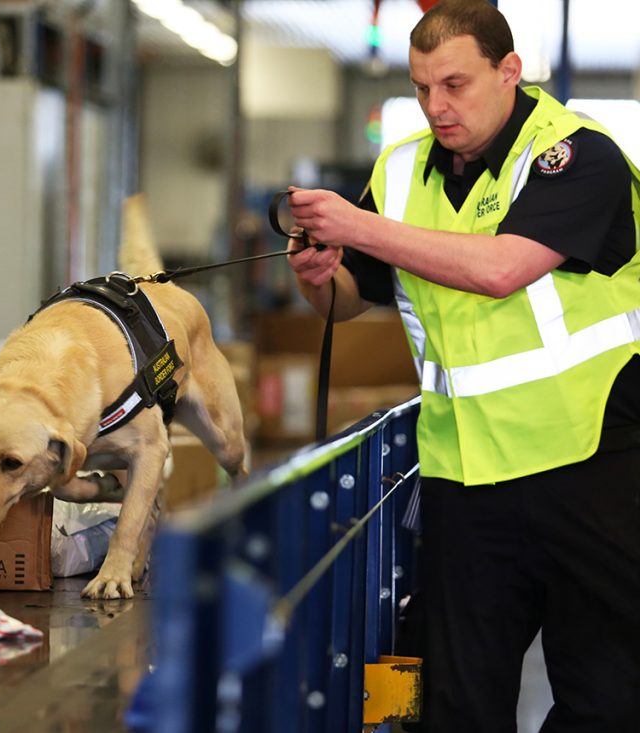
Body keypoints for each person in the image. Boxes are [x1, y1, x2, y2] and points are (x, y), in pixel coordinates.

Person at [285, 0, 640, 730]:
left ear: (509, 71)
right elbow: (349, 300)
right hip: (466, 474)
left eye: (454, 84)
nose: (436, 106)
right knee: (454, 703)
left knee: (608, 699)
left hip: (589, 464)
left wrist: (357, 225)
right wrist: (319, 275)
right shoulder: (401, 170)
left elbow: (501, 269)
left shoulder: (574, 154)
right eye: (421, 88)